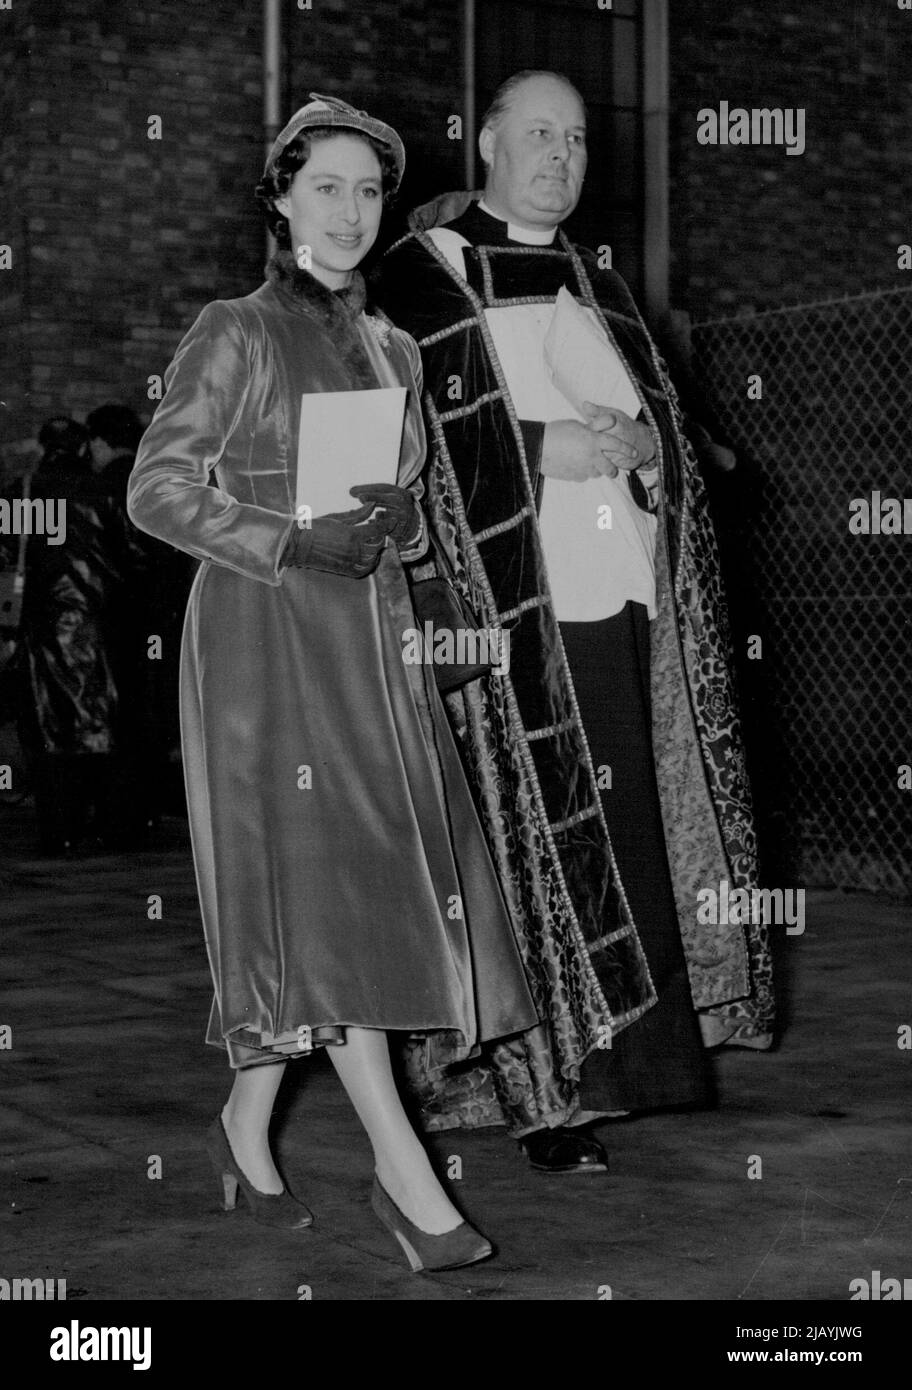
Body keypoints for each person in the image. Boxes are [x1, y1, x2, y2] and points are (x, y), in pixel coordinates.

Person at [127, 94, 539, 1273]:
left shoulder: (397, 346)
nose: (352, 212)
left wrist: (402, 523)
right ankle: (410, 1187)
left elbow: (390, 512)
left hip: (369, 639)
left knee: (341, 890)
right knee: (328, 893)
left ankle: (245, 1129)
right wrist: (286, 536)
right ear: (281, 198)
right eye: (327, 189)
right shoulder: (235, 328)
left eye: (369, 191)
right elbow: (156, 491)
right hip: (262, 639)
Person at [373, 70, 774, 1174]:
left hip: (627, 596)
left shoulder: (602, 288)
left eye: (580, 138)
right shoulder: (425, 280)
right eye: (538, 132)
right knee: (536, 849)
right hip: (515, 616)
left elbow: (676, 433)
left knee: (630, 836)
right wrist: (545, 448)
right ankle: (552, 1094)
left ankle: (638, 1064)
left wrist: (655, 448)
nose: (561, 153)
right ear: (489, 143)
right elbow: (391, 438)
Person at [16, 417, 124, 853]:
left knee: (47, 733)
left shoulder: (20, 493)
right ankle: (101, 826)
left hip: (40, 630)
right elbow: (135, 556)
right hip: (102, 629)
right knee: (101, 730)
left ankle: (58, 830)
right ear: (82, 448)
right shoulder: (107, 492)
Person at [87, 403, 192, 841]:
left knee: (123, 712)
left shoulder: (101, 487)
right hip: (164, 616)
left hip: (121, 618)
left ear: (98, 441)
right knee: (153, 711)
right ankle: (148, 807)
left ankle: (124, 812)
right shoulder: (154, 480)